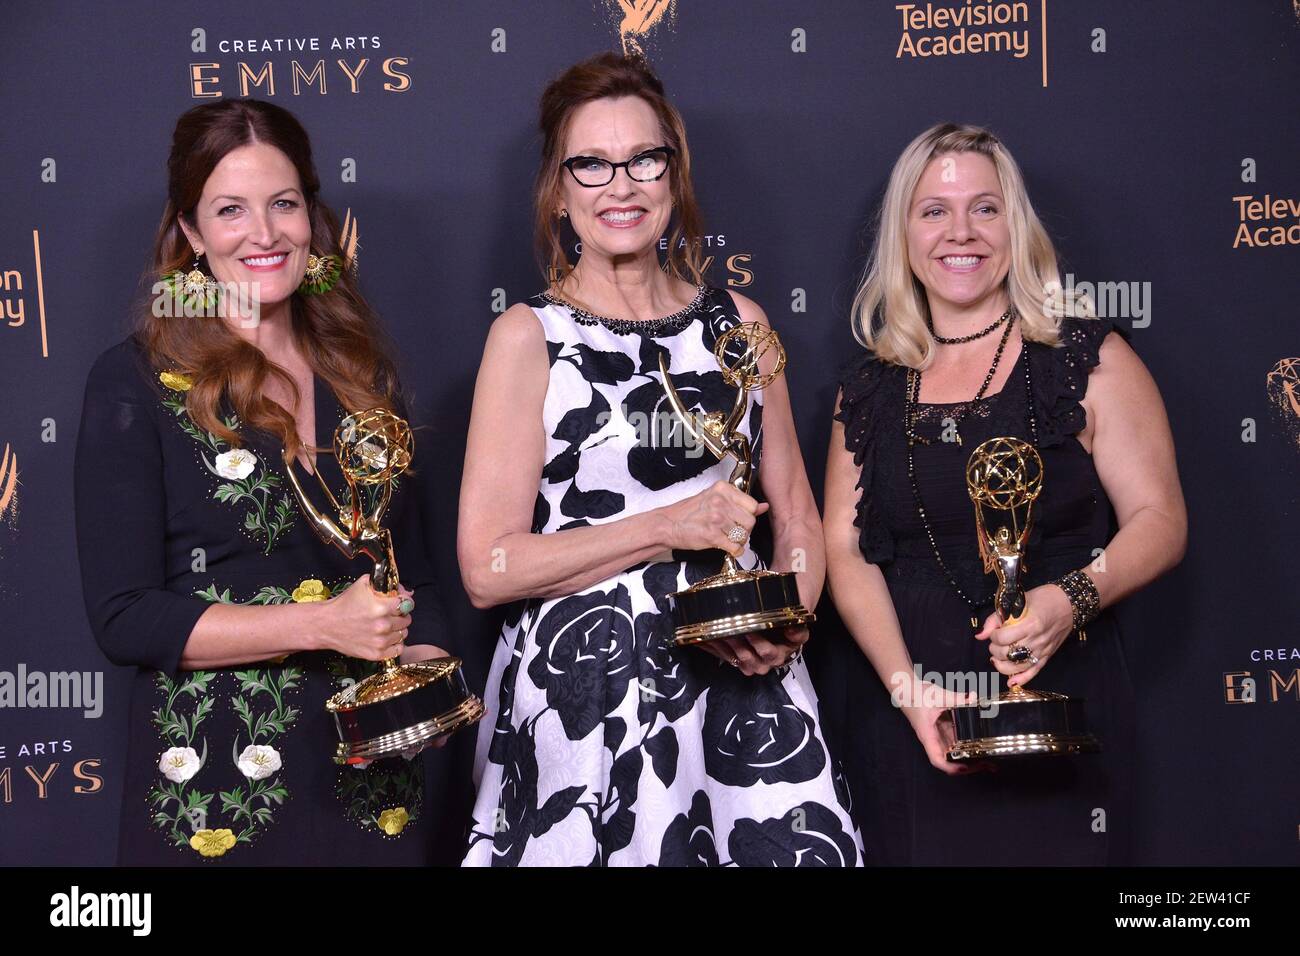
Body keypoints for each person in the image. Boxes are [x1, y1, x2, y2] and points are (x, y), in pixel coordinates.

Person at [458, 52, 859, 866]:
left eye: (644, 159)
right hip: (588, 700)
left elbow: (799, 514)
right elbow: (488, 568)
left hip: (741, 689)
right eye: (592, 164)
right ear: (558, 190)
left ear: (673, 175)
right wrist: (667, 525)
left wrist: (786, 621)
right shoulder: (529, 337)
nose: (622, 185)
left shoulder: (738, 322)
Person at [74, 99, 452, 864]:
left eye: (284, 204)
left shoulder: (361, 373)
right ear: (189, 232)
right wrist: (318, 626)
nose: (264, 234)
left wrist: (423, 687)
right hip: (217, 794)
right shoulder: (134, 382)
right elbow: (125, 617)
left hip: (373, 788)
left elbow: (415, 574)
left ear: (311, 214)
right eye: (230, 210)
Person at [823, 123, 1187, 865]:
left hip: (1064, 702)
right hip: (909, 720)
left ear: (1015, 226)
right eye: (935, 210)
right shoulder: (867, 388)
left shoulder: (1090, 359)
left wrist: (1071, 599)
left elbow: (1161, 520)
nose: (962, 232)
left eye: (984, 209)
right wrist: (910, 693)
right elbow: (843, 547)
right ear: (904, 232)